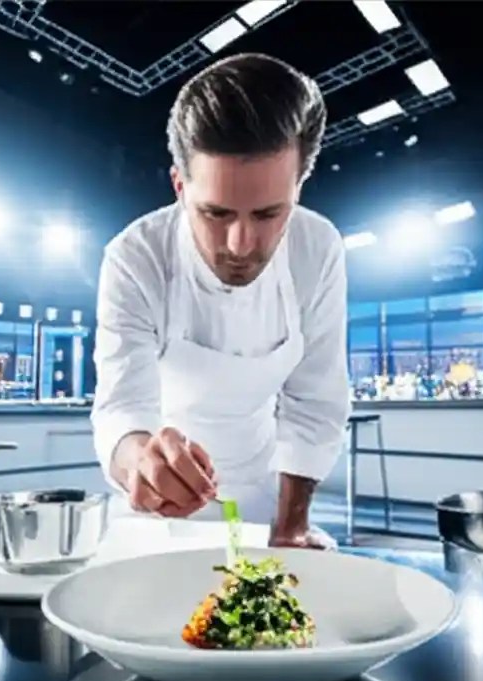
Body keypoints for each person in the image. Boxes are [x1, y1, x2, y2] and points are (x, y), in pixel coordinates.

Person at [90, 53, 350, 549]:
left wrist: (291, 528)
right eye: (215, 213)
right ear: (179, 185)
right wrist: (141, 461)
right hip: (154, 510)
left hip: (263, 496)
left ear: (300, 186)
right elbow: (122, 405)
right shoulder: (135, 256)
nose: (241, 244)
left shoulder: (318, 249)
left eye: (271, 213)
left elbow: (315, 402)